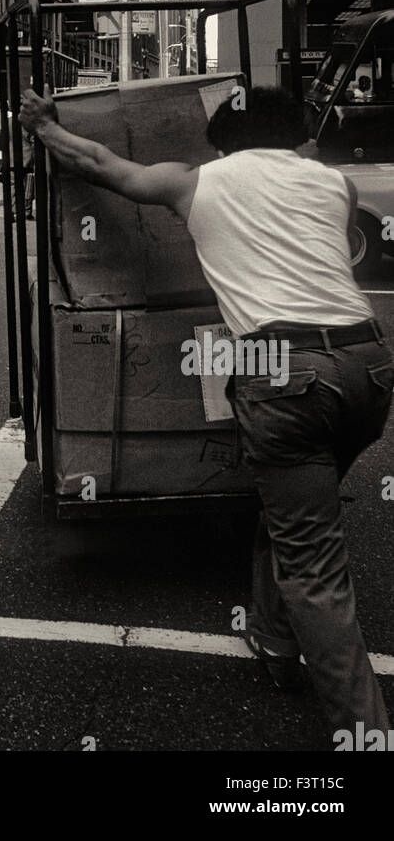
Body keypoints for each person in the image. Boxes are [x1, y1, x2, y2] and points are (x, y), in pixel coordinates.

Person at [20, 83, 392, 741]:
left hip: (286, 377)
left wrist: (45, 129)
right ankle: (276, 641)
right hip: (370, 367)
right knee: (292, 504)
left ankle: (366, 731)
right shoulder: (336, 187)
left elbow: (105, 167)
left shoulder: (198, 181)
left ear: (223, 139)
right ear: (297, 134)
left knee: (314, 564)